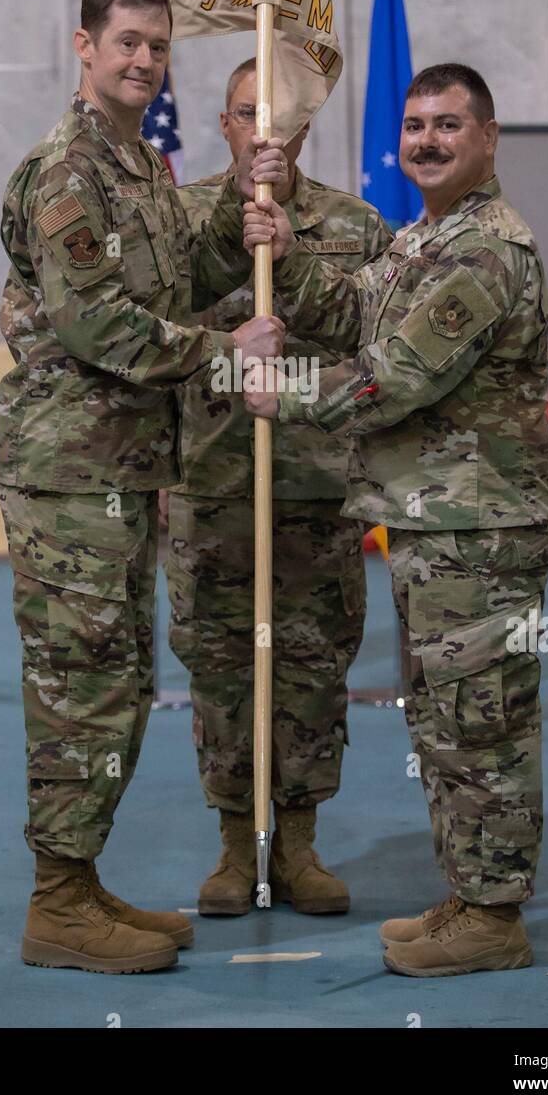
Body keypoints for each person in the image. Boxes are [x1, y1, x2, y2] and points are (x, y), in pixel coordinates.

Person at [241, 63, 548, 977]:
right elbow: (353, 314)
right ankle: (468, 893)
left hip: (480, 529)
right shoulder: (425, 237)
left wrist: (286, 396)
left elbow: (398, 375)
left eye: (448, 125)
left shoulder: (487, 250)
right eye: (415, 124)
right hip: (435, 523)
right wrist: (289, 252)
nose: (426, 139)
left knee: (482, 722)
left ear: (489, 138)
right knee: (444, 721)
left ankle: (496, 918)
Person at [0, 0, 286, 974]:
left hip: (121, 469)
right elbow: (99, 325)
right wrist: (223, 355)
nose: (142, 60)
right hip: (68, 475)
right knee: (80, 683)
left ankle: (79, 884)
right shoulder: (65, 171)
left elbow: (166, 285)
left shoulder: (143, 169)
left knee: (118, 680)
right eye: (124, 42)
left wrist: (231, 239)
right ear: (83, 45)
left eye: (156, 46)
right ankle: (56, 902)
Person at [167, 57, 393, 916]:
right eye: (243, 112)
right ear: (223, 125)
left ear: (304, 130)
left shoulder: (355, 224)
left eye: (279, 115)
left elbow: (377, 349)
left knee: (311, 669)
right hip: (212, 483)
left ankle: (297, 846)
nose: (261, 129)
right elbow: (156, 325)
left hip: (316, 488)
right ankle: (234, 847)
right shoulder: (182, 219)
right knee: (221, 669)